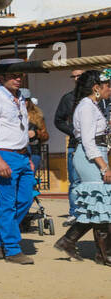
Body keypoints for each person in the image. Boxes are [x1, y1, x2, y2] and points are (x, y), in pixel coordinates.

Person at [0, 70, 37, 264]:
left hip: (21, 155)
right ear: (1, 78)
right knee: (7, 202)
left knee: (26, 199)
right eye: (13, 75)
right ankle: (11, 249)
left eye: (20, 75)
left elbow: (17, 130)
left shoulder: (19, 98)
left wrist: (26, 156)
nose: (18, 79)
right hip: (2, 154)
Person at [53, 69, 111, 263]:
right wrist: (103, 166)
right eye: (108, 85)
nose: (110, 89)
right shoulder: (86, 107)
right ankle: (105, 254)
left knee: (97, 205)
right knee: (101, 203)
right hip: (90, 157)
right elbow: (87, 141)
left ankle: (69, 241)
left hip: (95, 155)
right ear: (96, 88)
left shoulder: (93, 106)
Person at [53, 69, 86, 221]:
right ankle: (75, 213)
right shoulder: (68, 98)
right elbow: (58, 120)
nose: (77, 78)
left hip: (97, 144)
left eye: (80, 75)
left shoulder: (97, 96)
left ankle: (91, 210)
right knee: (75, 180)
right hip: (75, 144)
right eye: (75, 76)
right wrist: (73, 131)